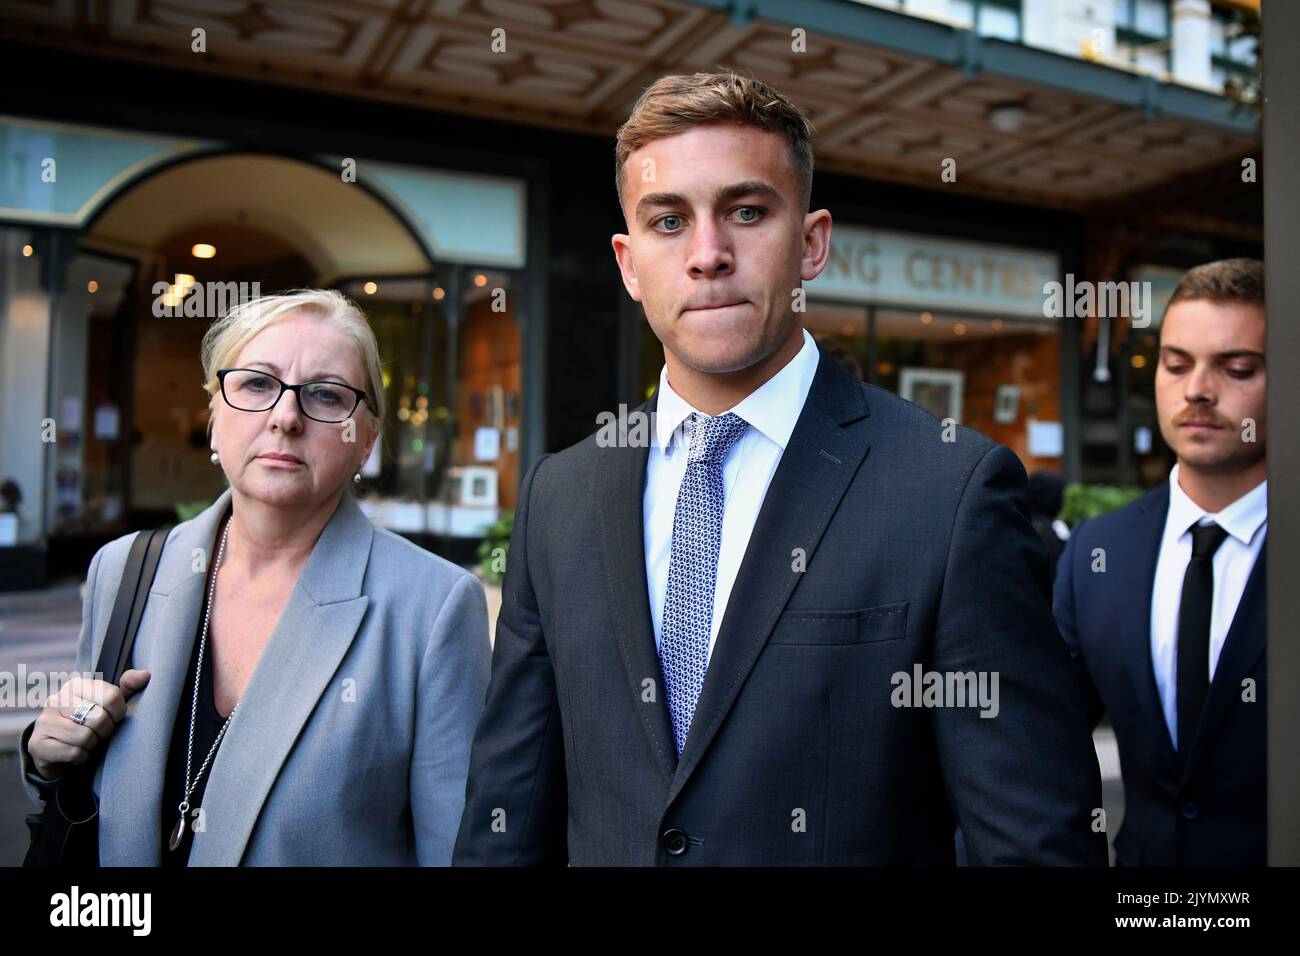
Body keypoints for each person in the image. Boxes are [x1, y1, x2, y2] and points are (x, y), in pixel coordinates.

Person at [453, 71, 1106, 866]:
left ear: (811, 242)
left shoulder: (950, 490)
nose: (707, 255)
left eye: (748, 211)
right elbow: (507, 816)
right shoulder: (560, 496)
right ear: (628, 264)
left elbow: (1035, 843)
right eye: (668, 221)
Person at [20, 289, 491, 865]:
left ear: (367, 437)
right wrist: (47, 758)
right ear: (214, 414)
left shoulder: (434, 608)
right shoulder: (123, 570)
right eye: (256, 384)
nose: (285, 417)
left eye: (325, 395)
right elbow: (84, 797)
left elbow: (454, 851)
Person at [1054, 258, 1266, 866]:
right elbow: (1043, 749)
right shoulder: (1099, 553)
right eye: (1176, 365)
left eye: (1238, 368)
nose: (1198, 389)